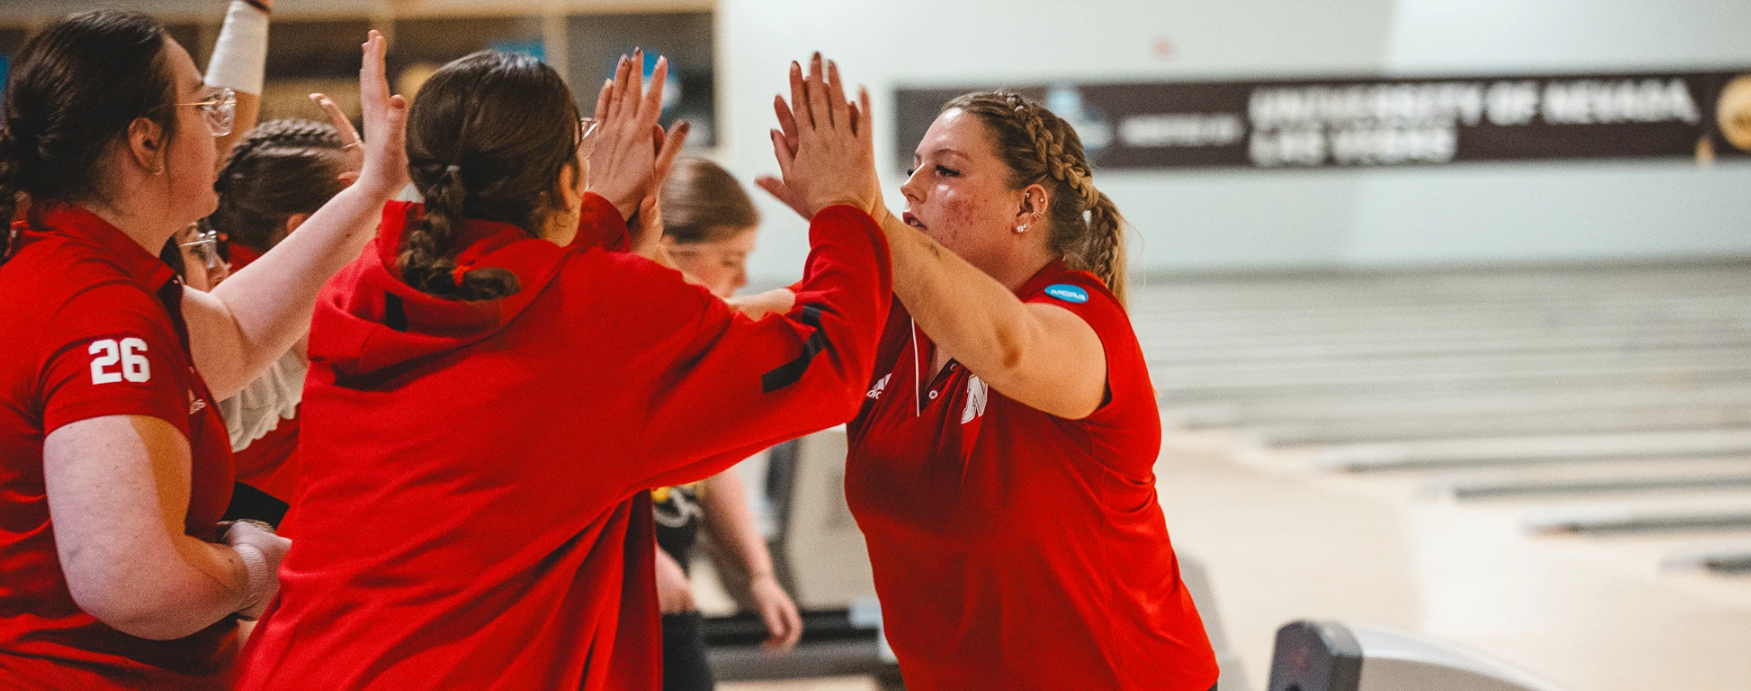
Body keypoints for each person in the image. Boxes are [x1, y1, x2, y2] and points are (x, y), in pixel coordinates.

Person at [234, 48, 890, 691]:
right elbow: (827, 365)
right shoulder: (604, 315)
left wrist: (599, 221)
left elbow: (517, 320)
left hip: (299, 660)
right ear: (568, 182)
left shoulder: (359, 290)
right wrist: (843, 211)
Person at [759, 55, 1219, 690]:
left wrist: (864, 216)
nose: (911, 187)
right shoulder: (894, 316)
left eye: (945, 170)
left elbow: (1009, 349)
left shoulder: (1082, 320)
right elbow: (735, 329)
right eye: (913, 167)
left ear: (1027, 204)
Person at [0, 9, 406, 689]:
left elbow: (237, 333)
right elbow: (131, 580)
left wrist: (371, 191)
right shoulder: (96, 311)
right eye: (206, 106)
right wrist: (255, 571)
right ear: (146, 140)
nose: (223, 128)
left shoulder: (88, 267)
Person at [650, 158, 805, 691]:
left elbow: (714, 466)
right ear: (665, 246)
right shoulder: (620, 338)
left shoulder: (691, 344)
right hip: (614, 592)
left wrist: (759, 575)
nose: (741, 280)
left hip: (672, 593)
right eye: (731, 259)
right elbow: (560, 471)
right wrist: (637, 555)